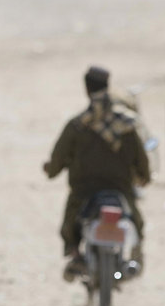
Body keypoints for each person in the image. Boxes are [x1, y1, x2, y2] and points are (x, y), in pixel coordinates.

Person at [43, 66, 150, 280]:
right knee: (137, 223)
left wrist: (51, 170)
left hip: (84, 192)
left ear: (86, 90)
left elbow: (58, 158)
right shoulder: (126, 125)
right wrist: (144, 177)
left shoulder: (78, 125)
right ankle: (135, 257)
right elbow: (141, 160)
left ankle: (76, 256)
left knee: (69, 226)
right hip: (120, 190)